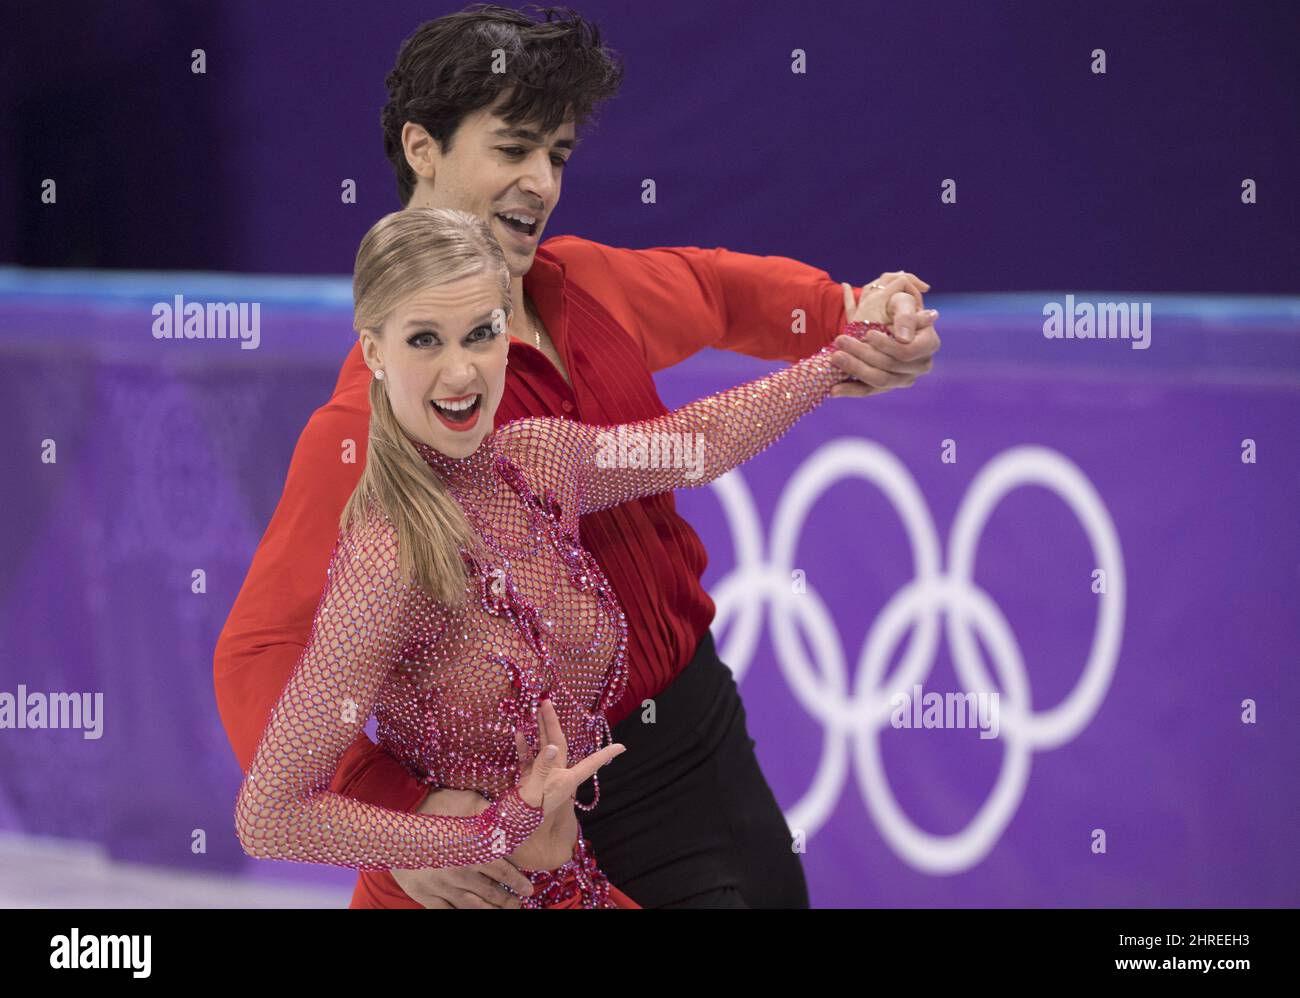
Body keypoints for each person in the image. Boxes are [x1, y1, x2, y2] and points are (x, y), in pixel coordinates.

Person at [214, 5, 940, 909]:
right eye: (513, 148)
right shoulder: (369, 427)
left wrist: (846, 318)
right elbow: (261, 652)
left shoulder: (581, 292)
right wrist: (407, 820)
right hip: (527, 825)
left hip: (697, 747)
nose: (542, 181)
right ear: (423, 148)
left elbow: (717, 307)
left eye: (555, 155)